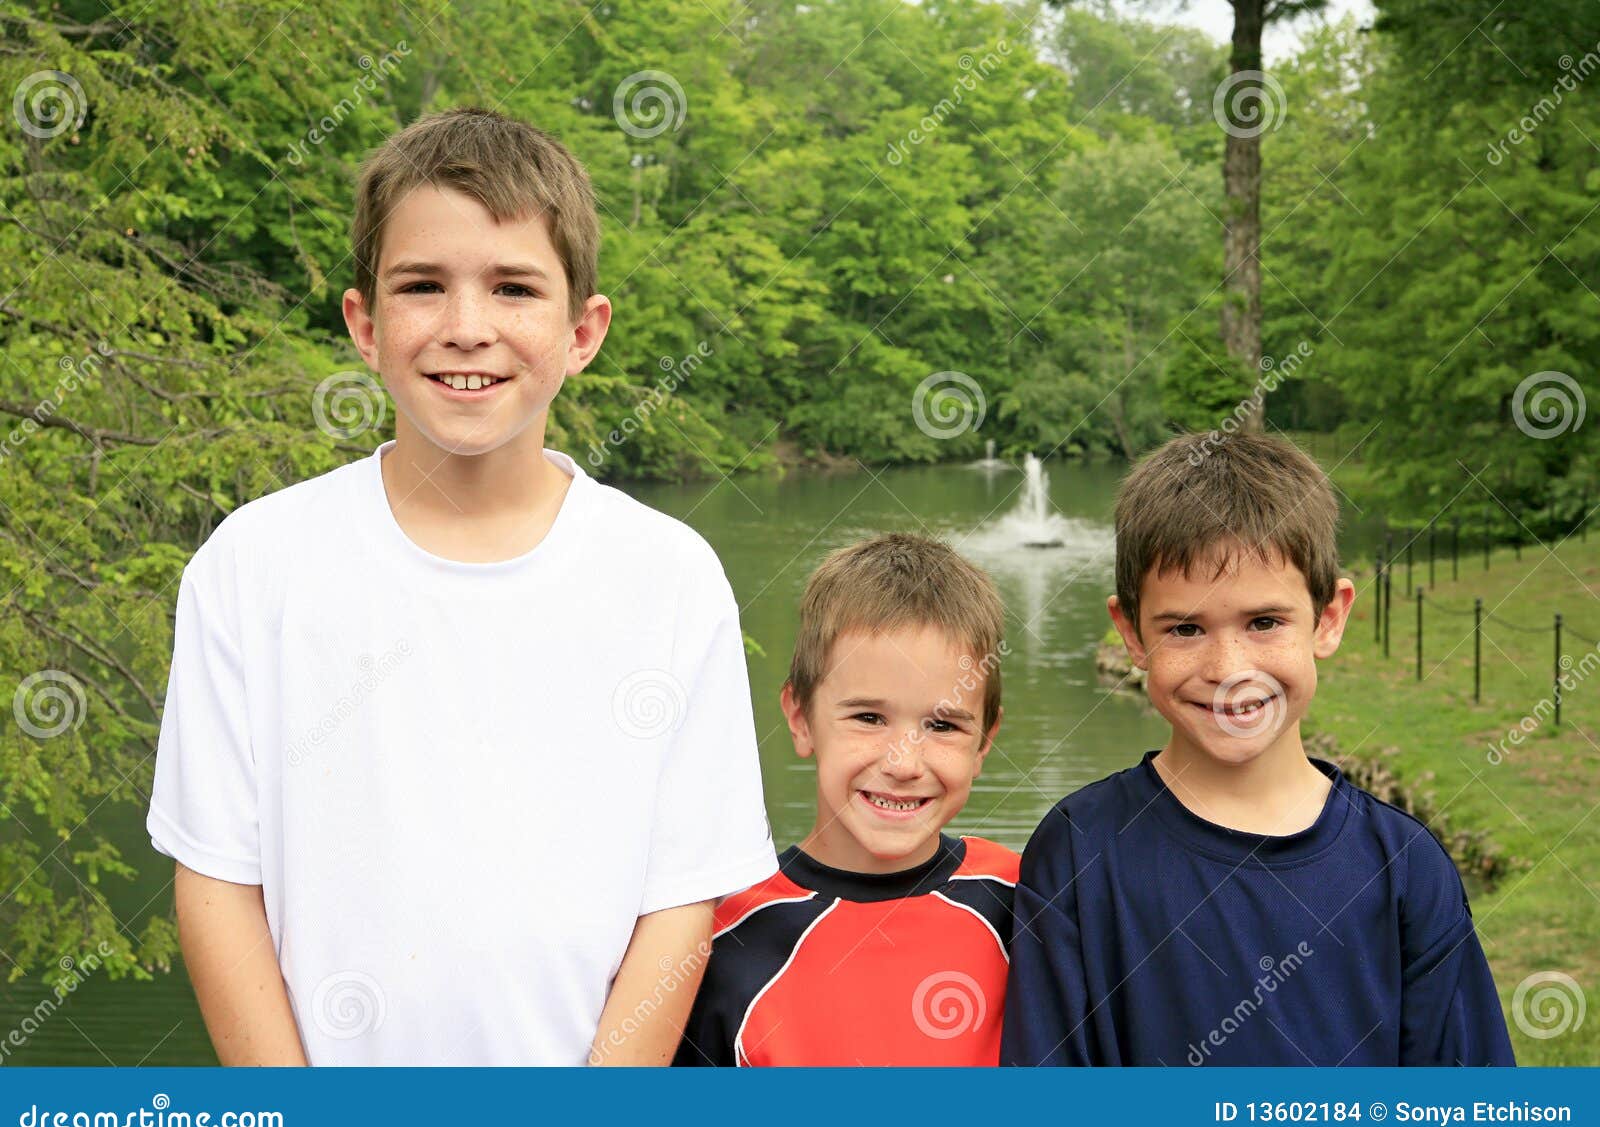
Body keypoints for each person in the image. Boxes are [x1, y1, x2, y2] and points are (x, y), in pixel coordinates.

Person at [146, 107, 776, 1066]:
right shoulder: (254, 564)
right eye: (423, 286)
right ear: (365, 323)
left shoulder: (671, 577)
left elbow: (681, 901)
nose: (467, 328)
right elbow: (217, 884)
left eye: (514, 287)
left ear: (582, 331)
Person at [1002, 431, 1514, 1066]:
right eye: (1185, 628)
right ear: (1132, 634)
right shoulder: (1079, 849)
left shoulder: (1404, 868)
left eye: (1264, 622)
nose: (1230, 668)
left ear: (1328, 618)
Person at [676, 533, 1019, 1066]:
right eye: (868, 718)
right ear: (800, 717)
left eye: (942, 724)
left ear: (983, 742)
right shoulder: (722, 936)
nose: (904, 764)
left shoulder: (1028, 904)